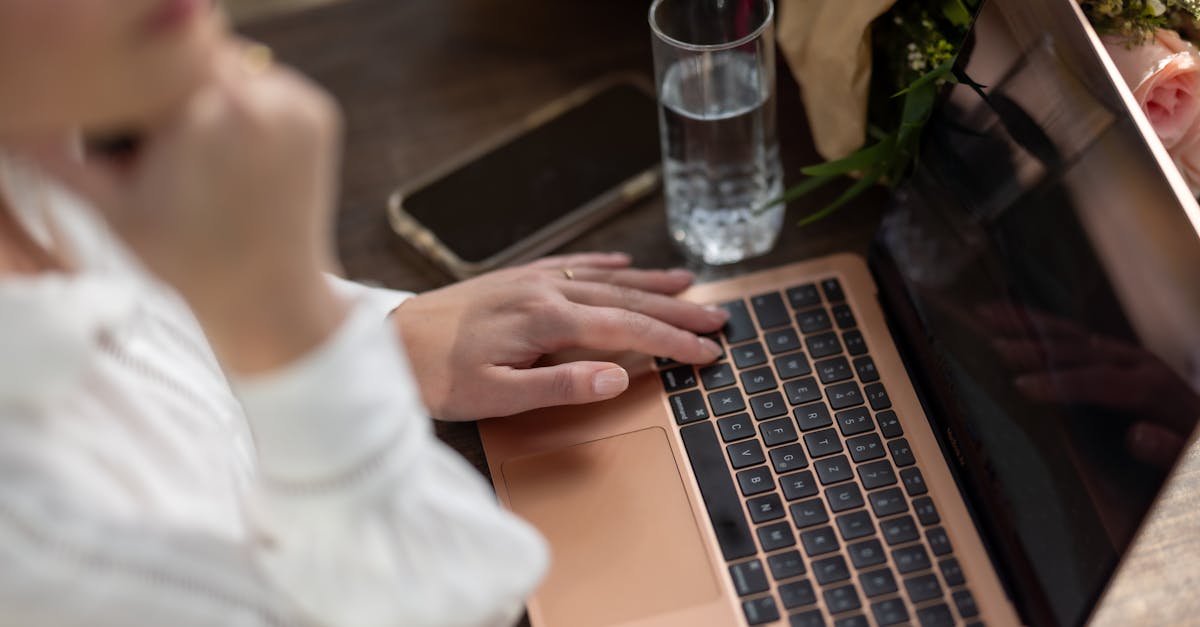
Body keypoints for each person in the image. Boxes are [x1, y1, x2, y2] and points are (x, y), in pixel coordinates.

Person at [0, 2, 727, 625]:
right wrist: (299, 337)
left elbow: (168, 332)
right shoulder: (40, 532)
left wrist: (383, 337)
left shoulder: (43, 141)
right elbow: (461, 599)